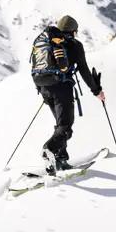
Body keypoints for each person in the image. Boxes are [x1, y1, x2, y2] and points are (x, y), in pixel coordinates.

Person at [30, 14, 102, 174]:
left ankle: (61, 159)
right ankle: (49, 149)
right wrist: (96, 90)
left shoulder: (47, 41)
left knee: (60, 125)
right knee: (65, 127)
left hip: (43, 86)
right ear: (73, 32)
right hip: (61, 87)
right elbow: (83, 70)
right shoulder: (74, 45)